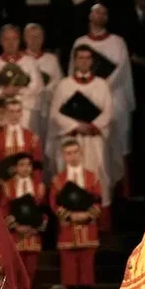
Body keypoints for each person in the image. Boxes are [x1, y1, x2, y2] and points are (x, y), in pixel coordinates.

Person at [69, 4, 134, 198]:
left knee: (119, 145)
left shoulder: (117, 42)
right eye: (95, 11)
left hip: (114, 99)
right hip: (87, 100)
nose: (99, 15)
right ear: (89, 16)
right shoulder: (79, 42)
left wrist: (100, 85)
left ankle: (124, 192)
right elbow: (73, 71)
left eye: (103, 12)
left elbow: (121, 69)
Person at [50, 47, 113, 202]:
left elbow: (108, 111)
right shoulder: (64, 84)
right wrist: (76, 126)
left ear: (92, 61)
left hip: (92, 139)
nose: (84, 61)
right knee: (70, 176)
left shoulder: (101, 84)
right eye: (80, 58)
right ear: (75, 61)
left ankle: (96, 216)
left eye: (87, 58)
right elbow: (55, 113)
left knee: (96, 174)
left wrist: (93, 126)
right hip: (72, 139)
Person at [50, 140, 102, 289]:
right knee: (69, 274)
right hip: (67, 232)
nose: (72, 156)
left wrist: (86, 215)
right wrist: (70, 216)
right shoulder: (58, 180)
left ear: (81, 154)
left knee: (87, 272)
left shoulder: (92, 177)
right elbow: (53, 203)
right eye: (68, 153)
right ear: (64, 156)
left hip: (88, 231)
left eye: (75, 152)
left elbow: (98, 200)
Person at [0, 25, 42, 131]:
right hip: (1, 112)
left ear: (19, 41)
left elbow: (38, 87)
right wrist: (2, 92)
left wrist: (18, 90)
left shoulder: (30, 62)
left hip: (24, 112)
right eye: (7, 39)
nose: (10, 43)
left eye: (14, 39)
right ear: (1, 41)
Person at [0, 153, 47, 284]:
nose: (25, 168)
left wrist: (35, 227)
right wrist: (16, 226)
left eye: (28, 165)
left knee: (30, 272)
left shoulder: (40, 186)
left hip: (34, 236)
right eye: (21, 165)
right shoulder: (7, 186)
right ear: (16, 167)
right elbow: (3, 209)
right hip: (14, 236)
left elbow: (43, 209)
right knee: (14, 272)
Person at [23, 24, 62, 148]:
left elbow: (58, 82)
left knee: (45, 144)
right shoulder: (21, 59)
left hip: (47, 107)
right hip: (26, 108)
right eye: (31, 37)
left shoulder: (51, 59)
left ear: (43, 38)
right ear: (25, 39)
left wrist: (46, 89)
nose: (34, 40)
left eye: (38, 37)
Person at [0, 98, 44, 182]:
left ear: (21, 113)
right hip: (4, 182)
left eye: (18, 111)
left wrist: (36, 183)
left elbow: (37, 163)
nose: (15, 115)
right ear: (5, 113)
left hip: (27, 181)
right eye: (11, 111)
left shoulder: (32, 137)